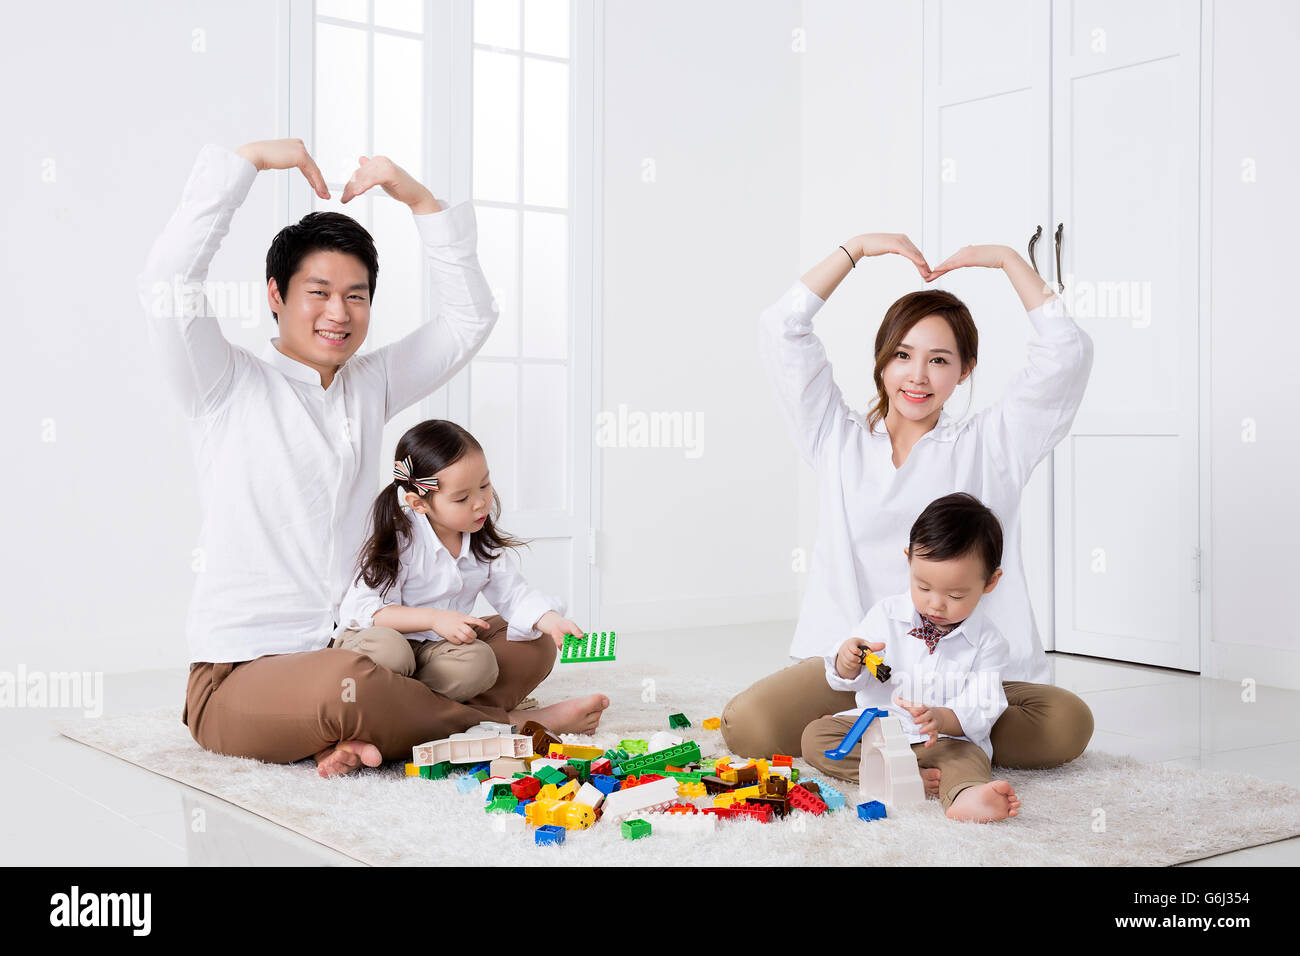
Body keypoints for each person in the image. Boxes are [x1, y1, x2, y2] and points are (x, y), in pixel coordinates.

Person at [138, 138, 607, 778]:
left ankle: (366, 737)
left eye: (356, 296)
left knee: (527, 647)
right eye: (319, 292)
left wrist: (419, 200)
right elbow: (168, 283)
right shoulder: (224, 383)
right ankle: (509, 731)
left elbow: (470, 318)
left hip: (366, 642)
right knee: (345, 686)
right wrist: (246, 163)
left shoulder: (368, 383)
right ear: (275, 294)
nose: (338, 313)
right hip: (245, 673)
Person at [722, 233, 1095, 796]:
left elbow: (1065, 352)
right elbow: (782, 328)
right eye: (903, 355)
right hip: (861, 676)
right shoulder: (837, 437)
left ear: (965, 370)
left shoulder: (992, 445)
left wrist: (1007, 262)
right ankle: (931, 752)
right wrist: (857, 250)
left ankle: (928, 741)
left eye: (939, 360)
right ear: (882, 360)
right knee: (744, 725)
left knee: (1067, 723)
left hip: (966, 678)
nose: (917, 376)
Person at [803, 492, 1021, 823]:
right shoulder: (886, 615)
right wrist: (846, 662)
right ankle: (897, 776)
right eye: (923, 587)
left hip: (943, 742)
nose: (936, 604)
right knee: (817, 737)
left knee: (969, 758)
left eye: (955, 595)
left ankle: (965, 796)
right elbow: (858, 674)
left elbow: (985, 703)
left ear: (990, 582)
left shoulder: (989, 642)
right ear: (908, 560)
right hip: (879, 732)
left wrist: (943, 718)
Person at [334, 419, 586, 702]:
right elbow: (368, 610)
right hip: (377, 640)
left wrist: (550, 620)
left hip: (434, 650)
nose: (480, 503)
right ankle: (440, 710)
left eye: (484, 485)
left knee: (480, 664)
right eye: (462, 498)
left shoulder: (481, 541)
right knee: (392, 652)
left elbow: (514, 594)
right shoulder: (398, 538)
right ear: (420, 504)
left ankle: (413, 707)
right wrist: (434, 618)